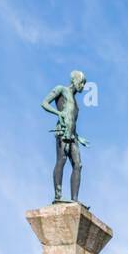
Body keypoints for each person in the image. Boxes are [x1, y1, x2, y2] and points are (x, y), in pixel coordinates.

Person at [41, 72, 88, 202]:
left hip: (73, 136)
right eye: (82, 82)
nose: (83, 86)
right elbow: (44, 103)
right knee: (61, 161)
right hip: (62, 132)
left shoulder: (76, 104)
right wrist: (58, 113)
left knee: (78, 165)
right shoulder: (61, 89)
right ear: (75, 80)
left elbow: (72, 121)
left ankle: (74, 199)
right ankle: (58, 196)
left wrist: (79, 137)